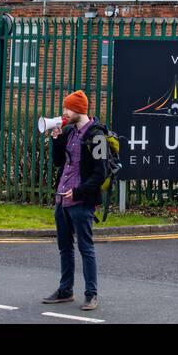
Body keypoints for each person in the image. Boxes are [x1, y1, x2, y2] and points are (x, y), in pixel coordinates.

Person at [42, 90, 107, 311]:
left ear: (79, 109)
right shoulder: (69, 132)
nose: (64, 113)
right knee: (64, 247)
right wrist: (57, 139)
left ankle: (91, 295)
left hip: (81, 201)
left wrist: (79, 192)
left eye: (67, 109)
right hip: (62, 199)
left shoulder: (97, 135)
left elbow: (100, 173)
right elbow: (59, 162)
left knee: (85, 247)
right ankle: (65, 290)